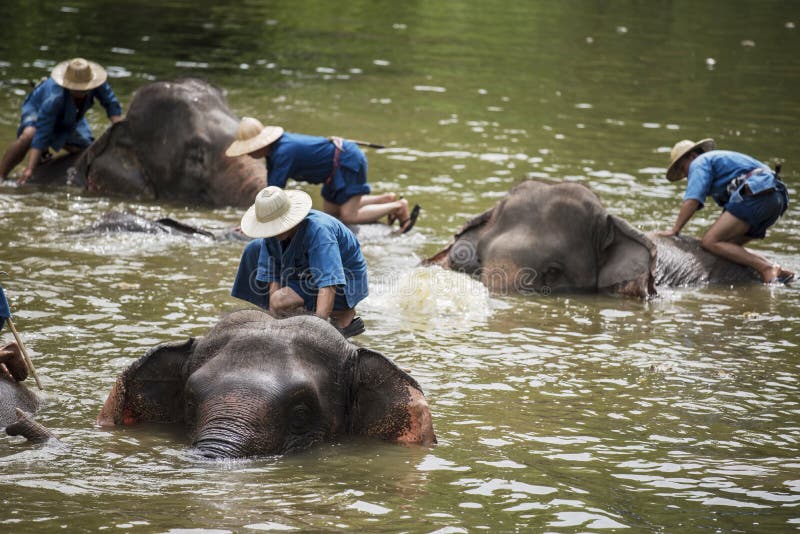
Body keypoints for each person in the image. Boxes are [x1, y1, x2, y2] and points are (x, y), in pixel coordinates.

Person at [225, 117, 420, 233]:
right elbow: (271, 190)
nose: (249, 154)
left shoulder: (283, 153)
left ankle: (398, 206)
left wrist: (252, 224)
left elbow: (274, 194)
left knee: (348, 216)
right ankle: (385, 199)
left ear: (262, 144)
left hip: (346, 161)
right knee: (331, 213)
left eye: (250, 149)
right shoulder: (275, 152)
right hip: (332, 172)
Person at [231, 186, 368, 336]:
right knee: (253, 250)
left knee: (281, 301)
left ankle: (341, 313)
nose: (272, 231)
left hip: (344, 281)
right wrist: (274, 323)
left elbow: (329, 283)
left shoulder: (319, 231)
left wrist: (319, 331)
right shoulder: (271, 237)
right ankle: (298, 313)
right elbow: (272, 278)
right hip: (304, 272)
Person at [657, 138, 792, 284]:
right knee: (727, 246)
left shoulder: (699, 162)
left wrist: (675, 230)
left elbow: (692, 200)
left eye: (683, 169)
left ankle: (766, 267)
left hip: (758, 192)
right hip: (775, 198)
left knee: (709, 241)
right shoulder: (718, 164)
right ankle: (779, 271)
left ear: (692, 156)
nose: (686, 176)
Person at [0, 57, 123, 184]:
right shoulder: (54, 98)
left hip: (71, 114)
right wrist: (30, 169)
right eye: (76, 89)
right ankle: (2, 174)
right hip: (38, 109)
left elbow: (111, 103)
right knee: (30, 135)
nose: (80, 92)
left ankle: (44, 158)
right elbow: (43, 131)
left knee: (86, 149)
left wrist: (118, 127)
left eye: (84, 89)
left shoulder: (95, 82)